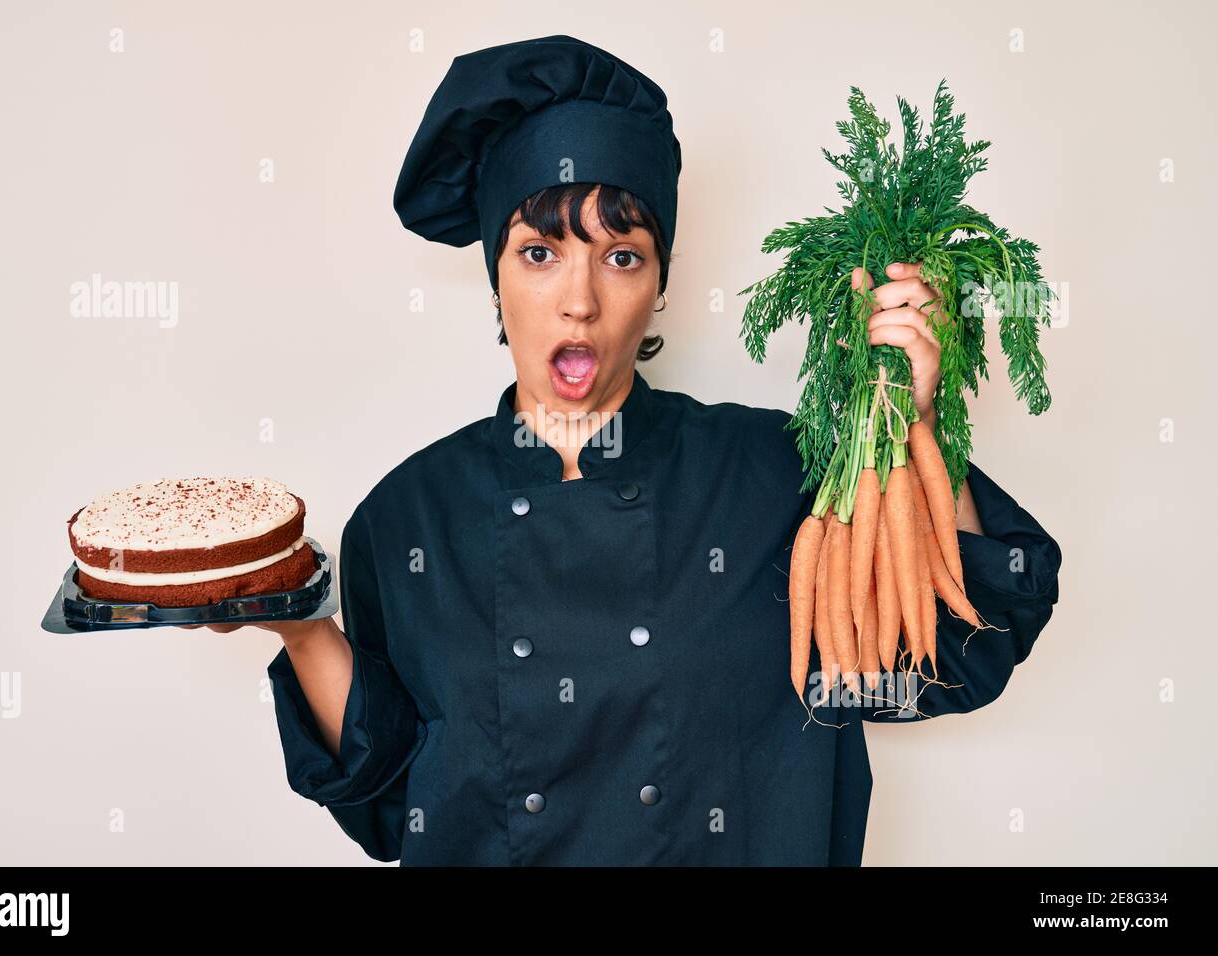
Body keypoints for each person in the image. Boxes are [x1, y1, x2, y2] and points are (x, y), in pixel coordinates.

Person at [189, 35, 1061, 865]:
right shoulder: (408, 517)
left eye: (621, 255)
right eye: (539, 253)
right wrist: (304, 634)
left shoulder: (780, 473)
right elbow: (387, 807)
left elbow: (957, 658)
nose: (579, 300)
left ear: (660, 282)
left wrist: (908, 421)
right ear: (496, 273)